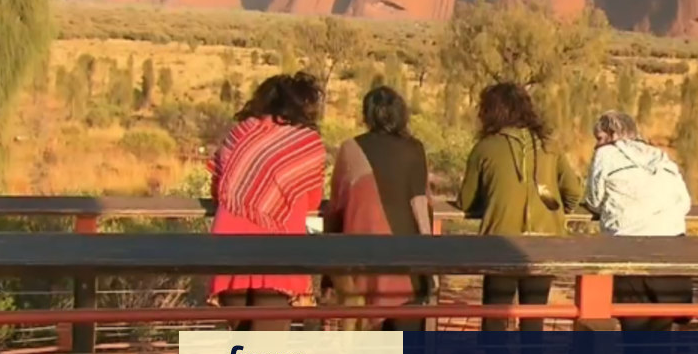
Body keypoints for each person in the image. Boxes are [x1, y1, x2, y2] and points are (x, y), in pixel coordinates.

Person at [458, 82, 583, 332]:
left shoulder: (485, 148)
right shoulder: (550, 145)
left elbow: (466, 201)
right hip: (545, 241)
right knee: (534, 313)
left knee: (495, 311)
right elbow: (574, 193)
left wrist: (496, 198)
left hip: (500, 242)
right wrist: (554, 208)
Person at [207, 72, 327, 330]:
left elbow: (218, 190)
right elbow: (312, 201)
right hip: (278, 254)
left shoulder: (239, 133)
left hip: (228, 251)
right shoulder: (306, 143)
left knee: (241, 347)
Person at [323, 86, 435, 331]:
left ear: (368, 114)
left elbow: (335, 208)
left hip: (364, 265)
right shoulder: (415, 149)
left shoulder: (350, 149)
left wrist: (329, 270)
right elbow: (423, 206)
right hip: (411, 267)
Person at [584, 111, 693, 331]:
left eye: (599, 137)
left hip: (629, 250)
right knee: (660, 332)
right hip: (672, 250)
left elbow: (594, 200)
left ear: (611, 135)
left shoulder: (605, 154)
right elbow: (685, 203)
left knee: (634, 332)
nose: (597, 144)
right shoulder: (659, 155)